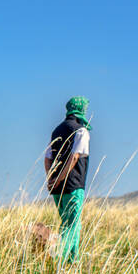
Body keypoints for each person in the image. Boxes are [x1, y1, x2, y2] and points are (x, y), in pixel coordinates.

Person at [45, 96, 91, 263]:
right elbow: (74, 157)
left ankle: (73, 261)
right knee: (71, 225)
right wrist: (60, 178)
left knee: (70, 223)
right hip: (73, 185)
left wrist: (51, 178)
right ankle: (57, 262)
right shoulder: (81, 131)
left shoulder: (56, 131)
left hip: (57, 189)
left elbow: (47, 158)